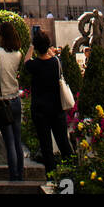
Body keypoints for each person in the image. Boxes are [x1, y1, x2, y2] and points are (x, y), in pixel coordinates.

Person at [22, 29, 72, 174]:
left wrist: (32, 46)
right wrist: (47, 48)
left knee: (46, 146)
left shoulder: (34, 65)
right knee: (63, 143)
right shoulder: (55, 62)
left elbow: (26, 60)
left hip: (40, 111)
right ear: (48, 46)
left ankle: (52, 175)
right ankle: (72, 172)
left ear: (36, 48)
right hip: (57, 109)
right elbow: (52, 56)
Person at [0, 20, 25, 182]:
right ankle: (21, 175)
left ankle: (14, 177)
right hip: (16, 100)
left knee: (9, 142)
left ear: (2, 36)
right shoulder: (19, 54)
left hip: (3, 102)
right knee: (18, 141)